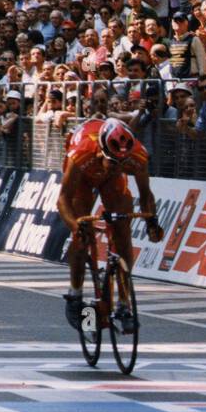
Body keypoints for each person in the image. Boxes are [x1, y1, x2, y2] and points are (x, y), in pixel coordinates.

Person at [55, 118, 165, 334]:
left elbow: (145, 195)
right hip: (83, 179)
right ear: (101, 152)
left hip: (110, 182)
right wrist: (76, 226)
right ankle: (75, 295)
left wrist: (151, 221)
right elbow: (63, 200)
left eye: (123, 163)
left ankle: (124, 305)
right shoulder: (82, 153)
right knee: (81, 235)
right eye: (114, 162)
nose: (119, 167)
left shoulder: (136, 156)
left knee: (123, 231)